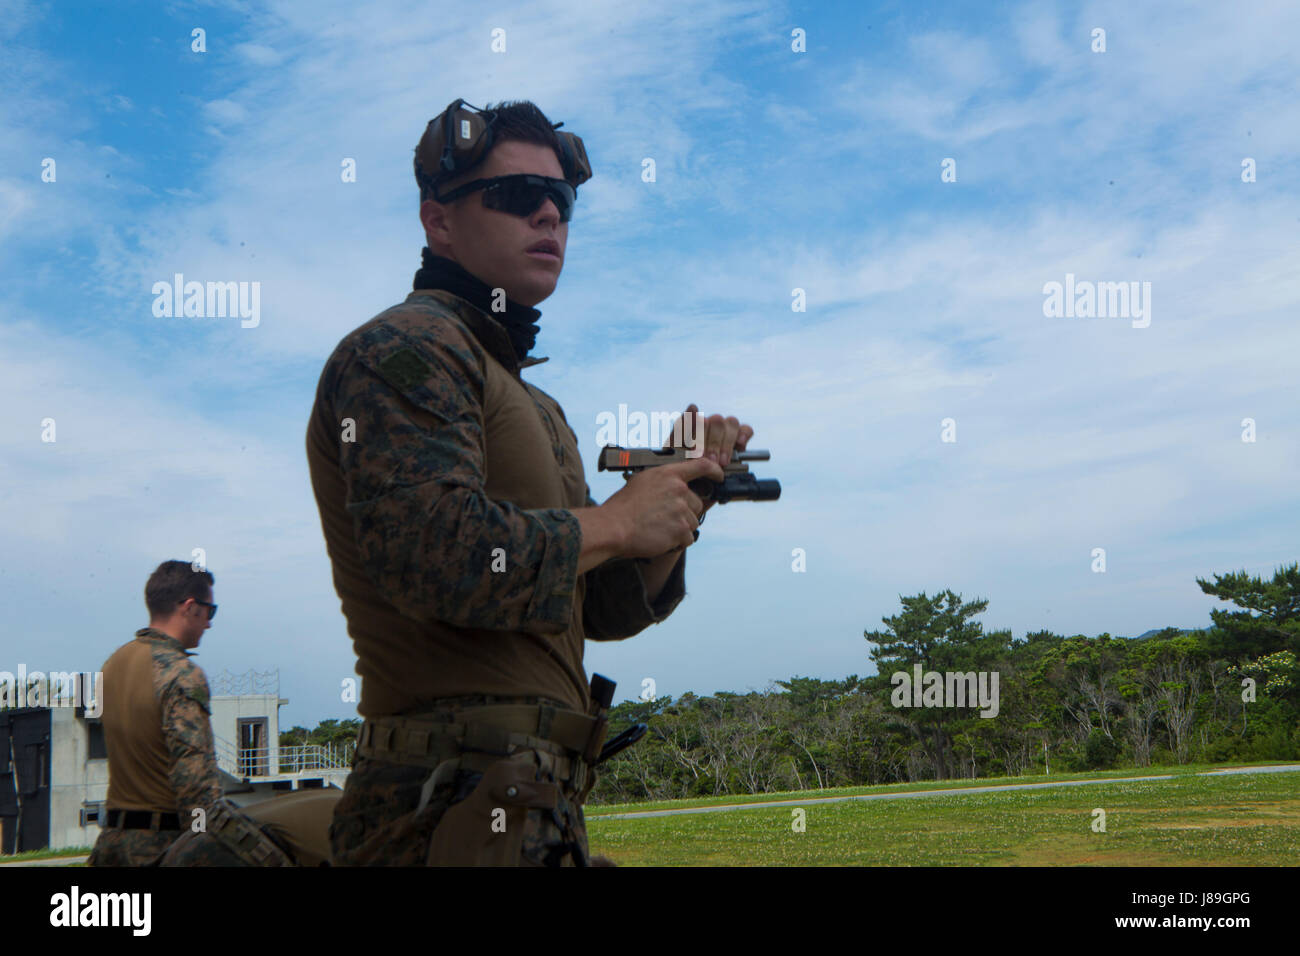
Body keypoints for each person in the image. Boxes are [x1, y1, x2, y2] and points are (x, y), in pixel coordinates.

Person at [306, 98, 753, 866]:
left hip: (526, 804)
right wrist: (617, 520)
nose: (549, 212)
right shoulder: (403, 350)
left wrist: (682, 502)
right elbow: (435, 555)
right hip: (435, 808)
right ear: (438, 221)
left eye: (563, 200)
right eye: (517, 195)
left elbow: (600, 610)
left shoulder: (534, 401)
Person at [87, 560, 223, 866]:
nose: (210, 623)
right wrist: (206, 845)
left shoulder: (112, 665)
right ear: (190, 606)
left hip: (111, 845)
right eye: (209, 611)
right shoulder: (182, 673)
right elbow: (195, 779)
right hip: (161, 847)